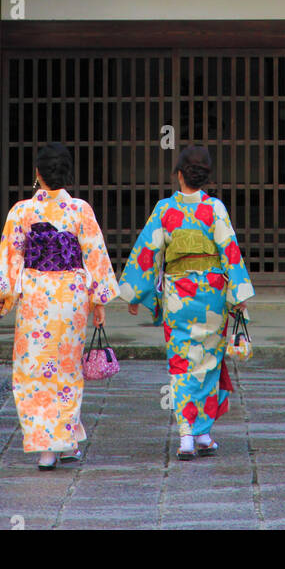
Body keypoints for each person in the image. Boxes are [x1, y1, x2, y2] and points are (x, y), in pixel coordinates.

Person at [0, 142, 119, 470]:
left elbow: (11, 260)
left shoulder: (22, 211)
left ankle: (47, 447)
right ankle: (66, 439)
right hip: (71, 298)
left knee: (33, 368)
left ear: (38, 173)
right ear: (67, 172)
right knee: (67, 369)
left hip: (36, 297)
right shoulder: (79, 210)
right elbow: (95, 257)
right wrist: (97, 300)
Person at [118, 144, 254, 460]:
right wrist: (239, 298)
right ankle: (203, 431)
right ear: (204, 177)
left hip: (178, 295)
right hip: (212, 295)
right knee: (208, 362)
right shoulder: (215, 209)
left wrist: (137, 294)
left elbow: (147, 253)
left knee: (181, 363)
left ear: (179, 175)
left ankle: (187, 437)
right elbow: (230, 254)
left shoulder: (165, 210)